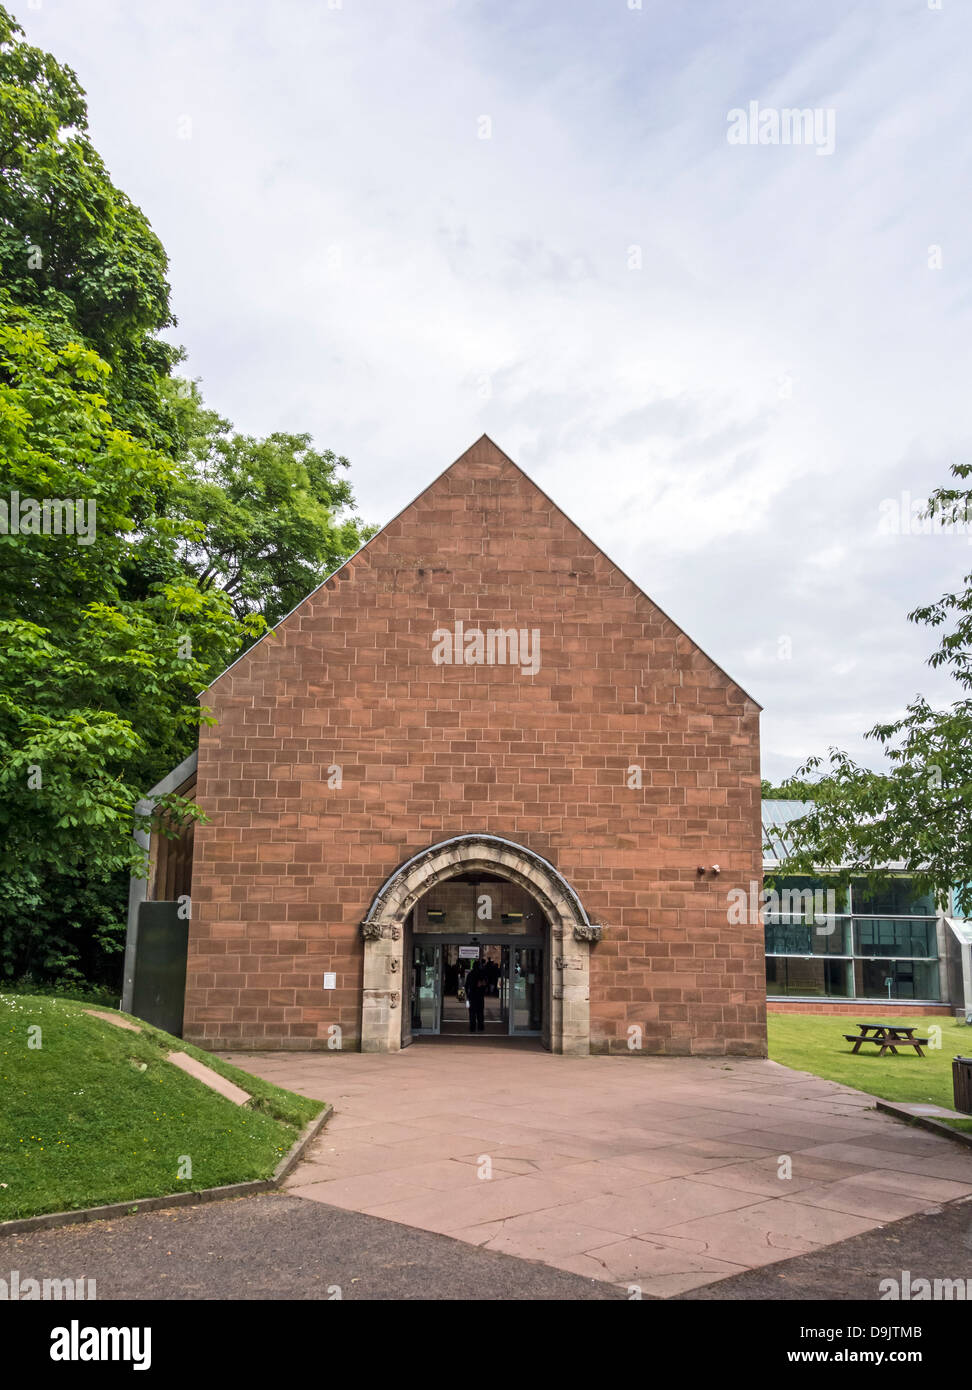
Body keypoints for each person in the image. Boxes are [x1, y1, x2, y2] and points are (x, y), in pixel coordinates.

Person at [465, 958, 488, 1033]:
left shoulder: (470, 974)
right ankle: (480, 1027)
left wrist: (467, 994)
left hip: (472, 996)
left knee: (472, 1013)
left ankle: (472, 1027)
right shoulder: (482, 973)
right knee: (480, 1012)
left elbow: (466, 985)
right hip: (480, 996)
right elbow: (485, 984)